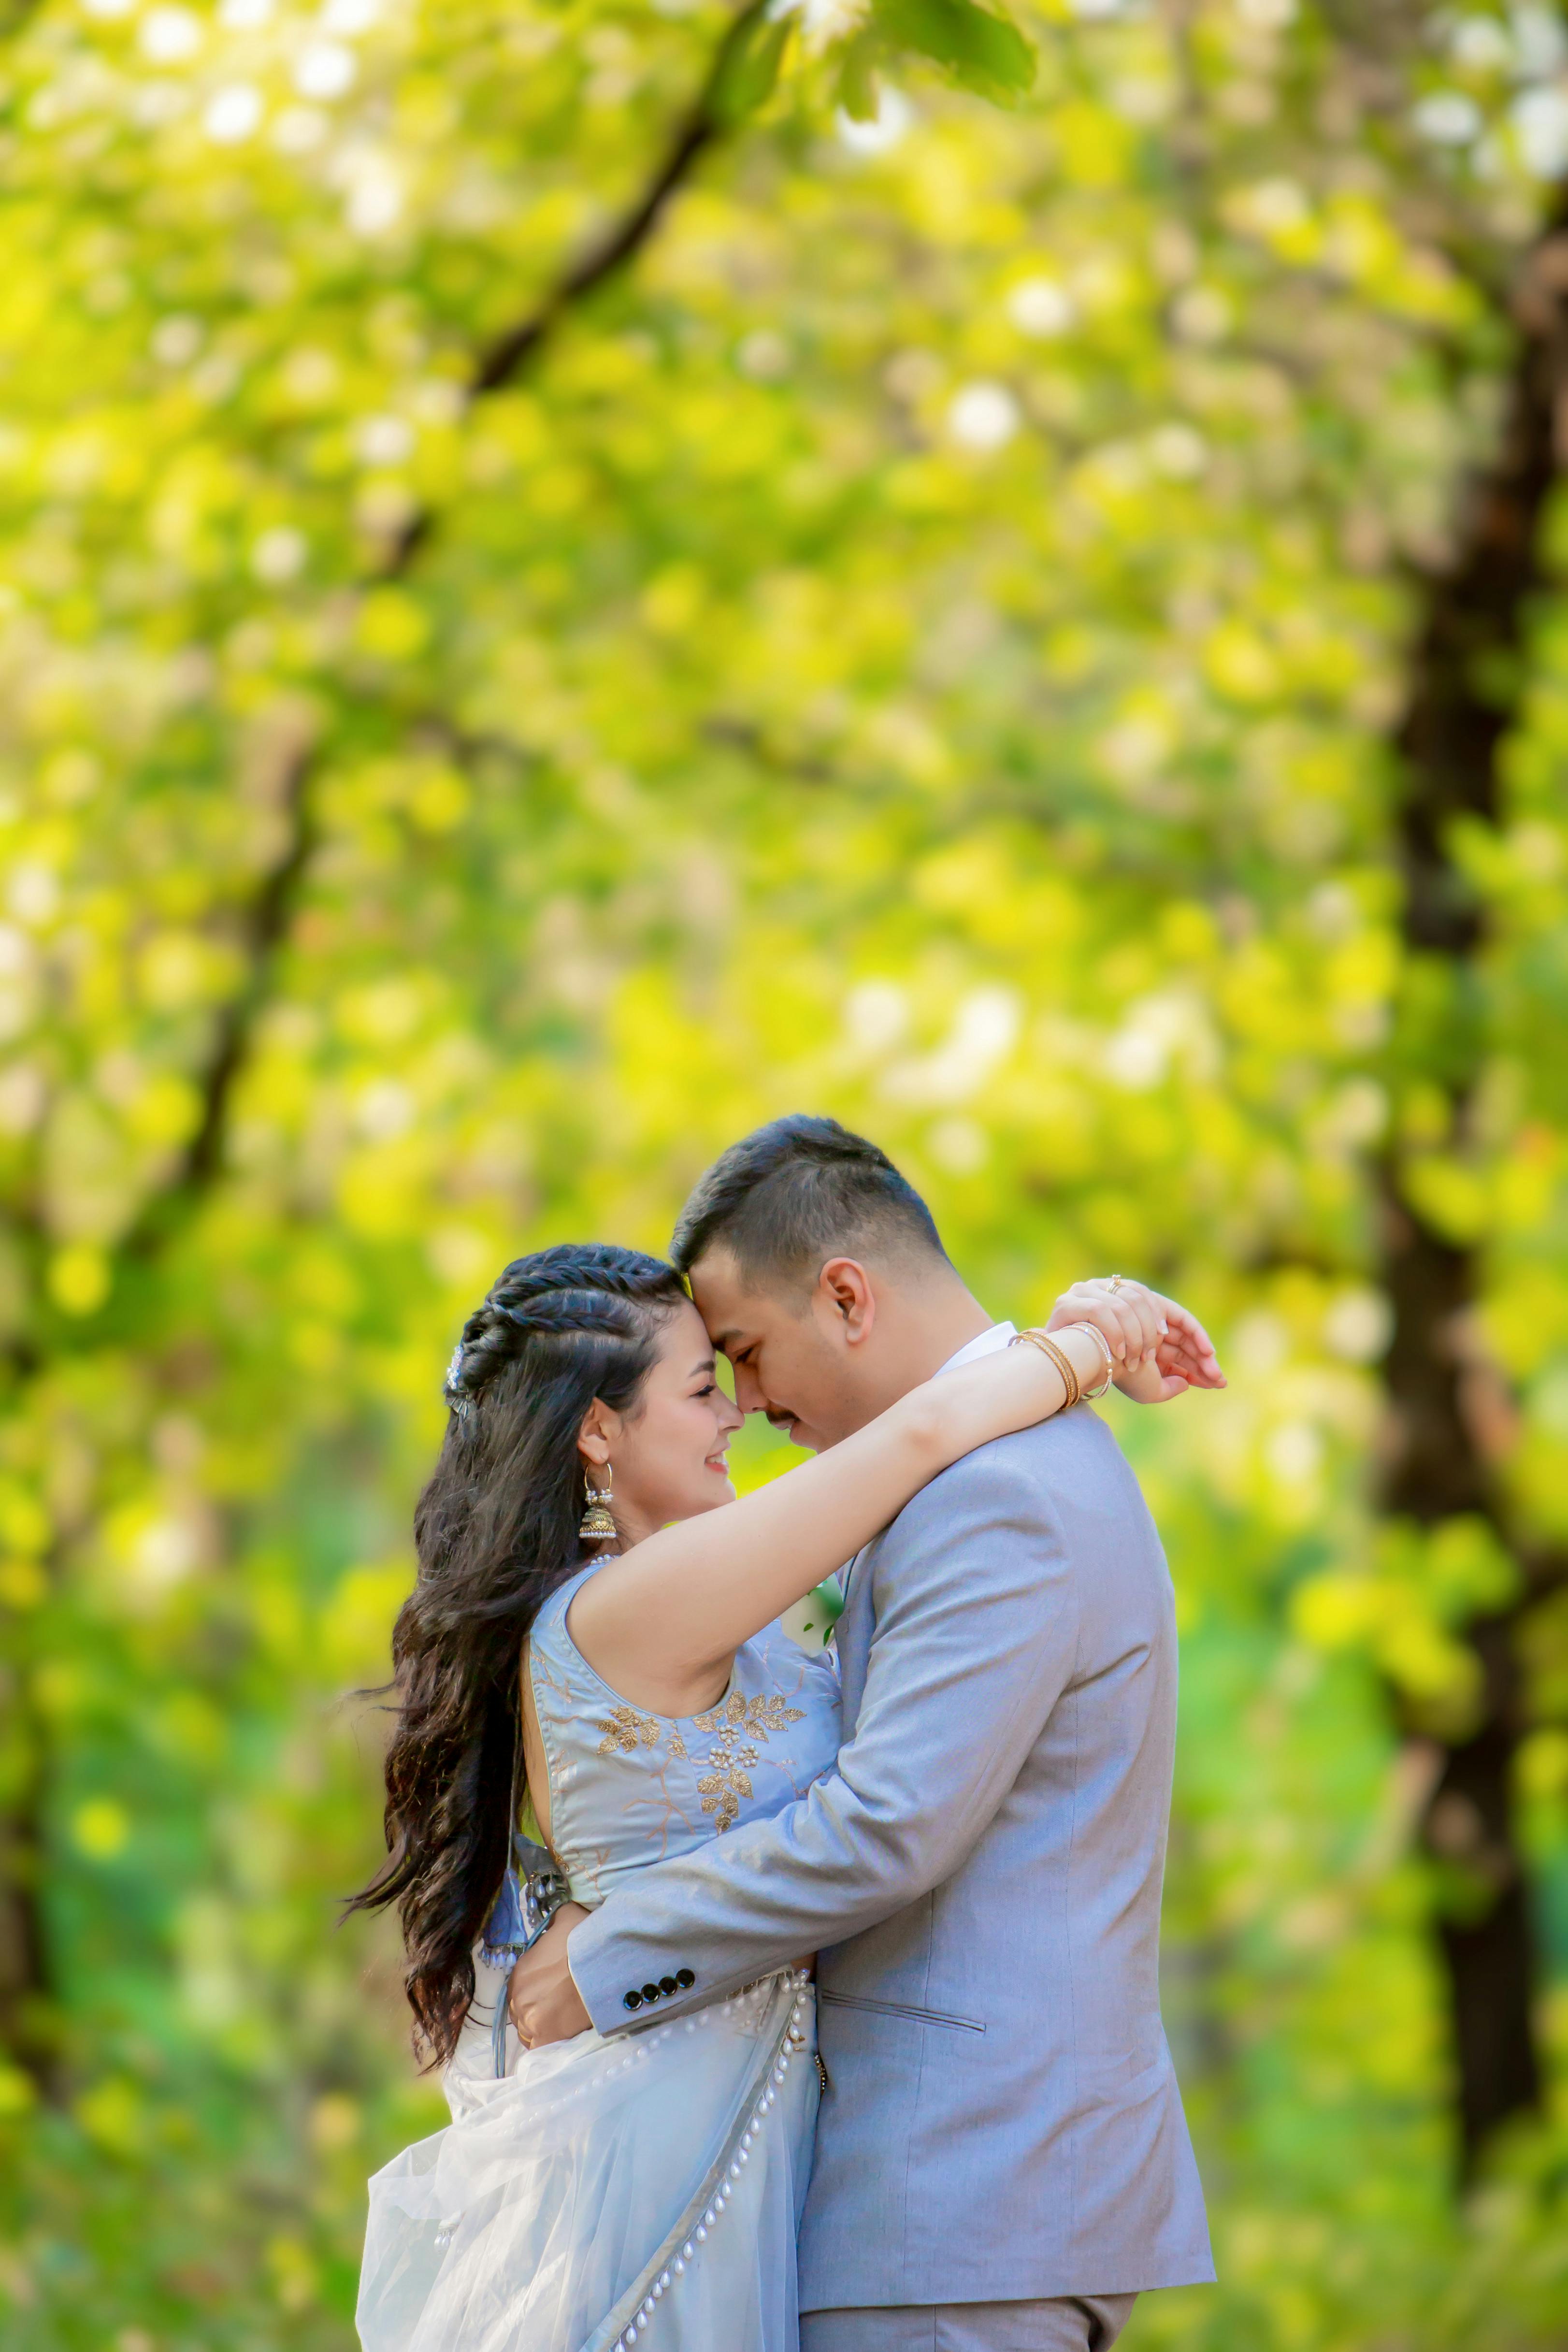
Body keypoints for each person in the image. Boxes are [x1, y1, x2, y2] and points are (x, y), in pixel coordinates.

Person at [506, 1117, 1222, 2352]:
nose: (747, 1404)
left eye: (743, 1353)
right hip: (980, 2198)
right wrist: (1081, 1341)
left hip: (957, 2187)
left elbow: (888, 1825)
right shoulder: (998, 1470)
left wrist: (611, 1949)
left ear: (845, 1295)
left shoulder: (996, 1494)